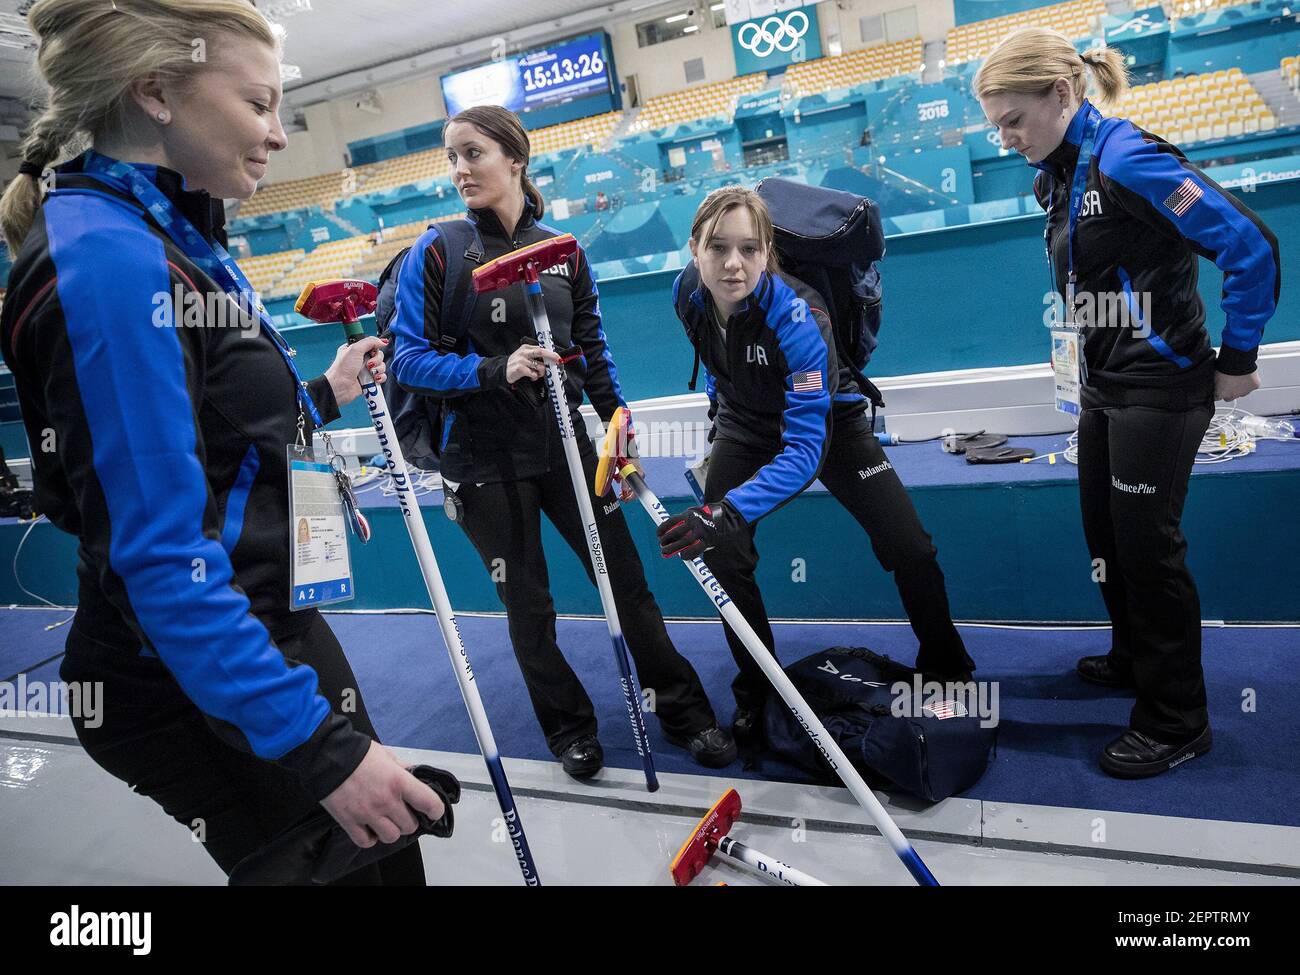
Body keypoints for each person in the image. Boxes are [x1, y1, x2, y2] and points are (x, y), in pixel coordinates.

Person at [0, 0, 445, 883]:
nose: (280, 133)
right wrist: (319, 752)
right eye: (259, 104)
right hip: (183, 667)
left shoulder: (171, 228)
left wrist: (318, 407)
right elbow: (158, 557)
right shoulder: (111, 258)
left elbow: (217, 435)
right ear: (157, 90)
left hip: (256, 618)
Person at [387, 105, 735, 776]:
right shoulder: (438, 249)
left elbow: (592, 351)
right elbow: (408, 361)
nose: (460, 168)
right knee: (529, 606)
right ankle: (568, 729)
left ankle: (686, 713)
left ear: (515, 158)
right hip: (481, 461)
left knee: (629, 587)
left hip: (565, 446)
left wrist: (617, 419)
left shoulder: (565, 253)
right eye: (452, 156)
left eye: (474, 153)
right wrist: (495, 367)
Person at [973, 28, 1280, 777]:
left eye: (1013, 119)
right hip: (1105, 386)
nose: (1004, 138)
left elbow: (1252, 245)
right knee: (1107, 540)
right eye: (995, 125)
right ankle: (1136, 655)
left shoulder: (1128, 158)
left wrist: (1237, 359)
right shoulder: (1060, 168)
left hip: (1161, 388)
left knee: (1147, 552)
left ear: (1062, 94)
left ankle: (1178, 718)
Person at [658, 186, 976, 742]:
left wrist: (727, 508)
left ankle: (948, 665)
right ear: (694, 249)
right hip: (744, 422)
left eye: (750, 249)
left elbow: (806, 450)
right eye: (717, 247)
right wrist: (720, 435)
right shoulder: (688, 293)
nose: (733, 264)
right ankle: (757, 689)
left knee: (910, 547)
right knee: (726, 559)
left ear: (768, 253)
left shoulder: (802, 316)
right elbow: (716, 364)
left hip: (831, 422)